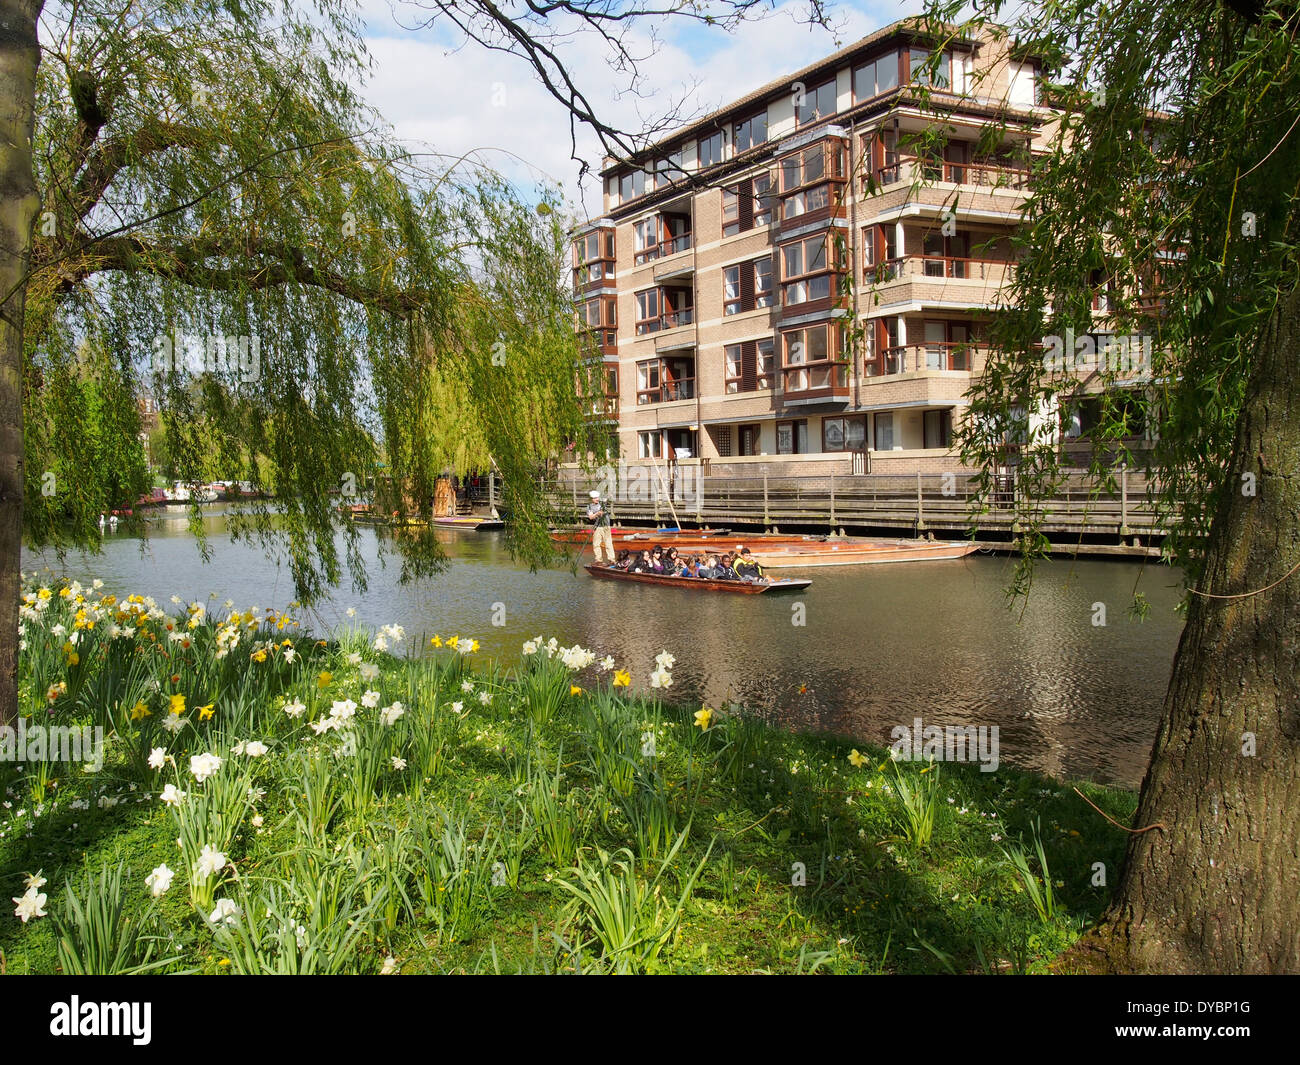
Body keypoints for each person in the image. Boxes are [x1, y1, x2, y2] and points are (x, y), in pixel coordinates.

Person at [586, 490, 614, 564]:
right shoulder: (589, 506)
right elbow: (591, 517)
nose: (597, 499)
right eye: (595, 498)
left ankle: (611, 559)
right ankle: (598, 560)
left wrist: (609, 495)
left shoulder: (602, 503)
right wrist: (597, 514)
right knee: (596, 544)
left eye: (597, 497)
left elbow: (608, 497)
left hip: (606, 525)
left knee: (608, 543)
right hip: (597, 526)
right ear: (591, 499)